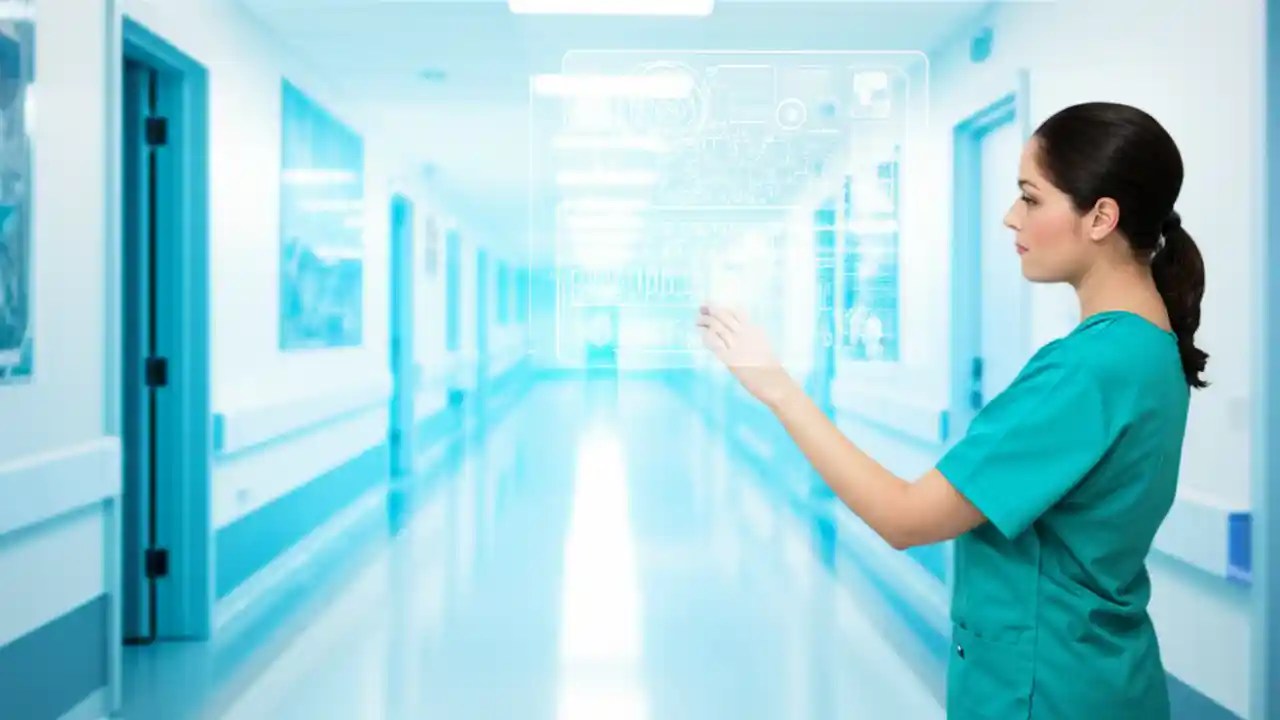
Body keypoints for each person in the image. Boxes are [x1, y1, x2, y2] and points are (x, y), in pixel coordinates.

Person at [696, 101, 1206, 719]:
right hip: (1110, 679)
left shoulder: (1085, 369)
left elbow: (905, 518)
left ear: (1100, 217)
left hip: (1044, 694)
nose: (1009, 216)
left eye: (1031, 198)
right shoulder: (1155, 348)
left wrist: (776, 386)